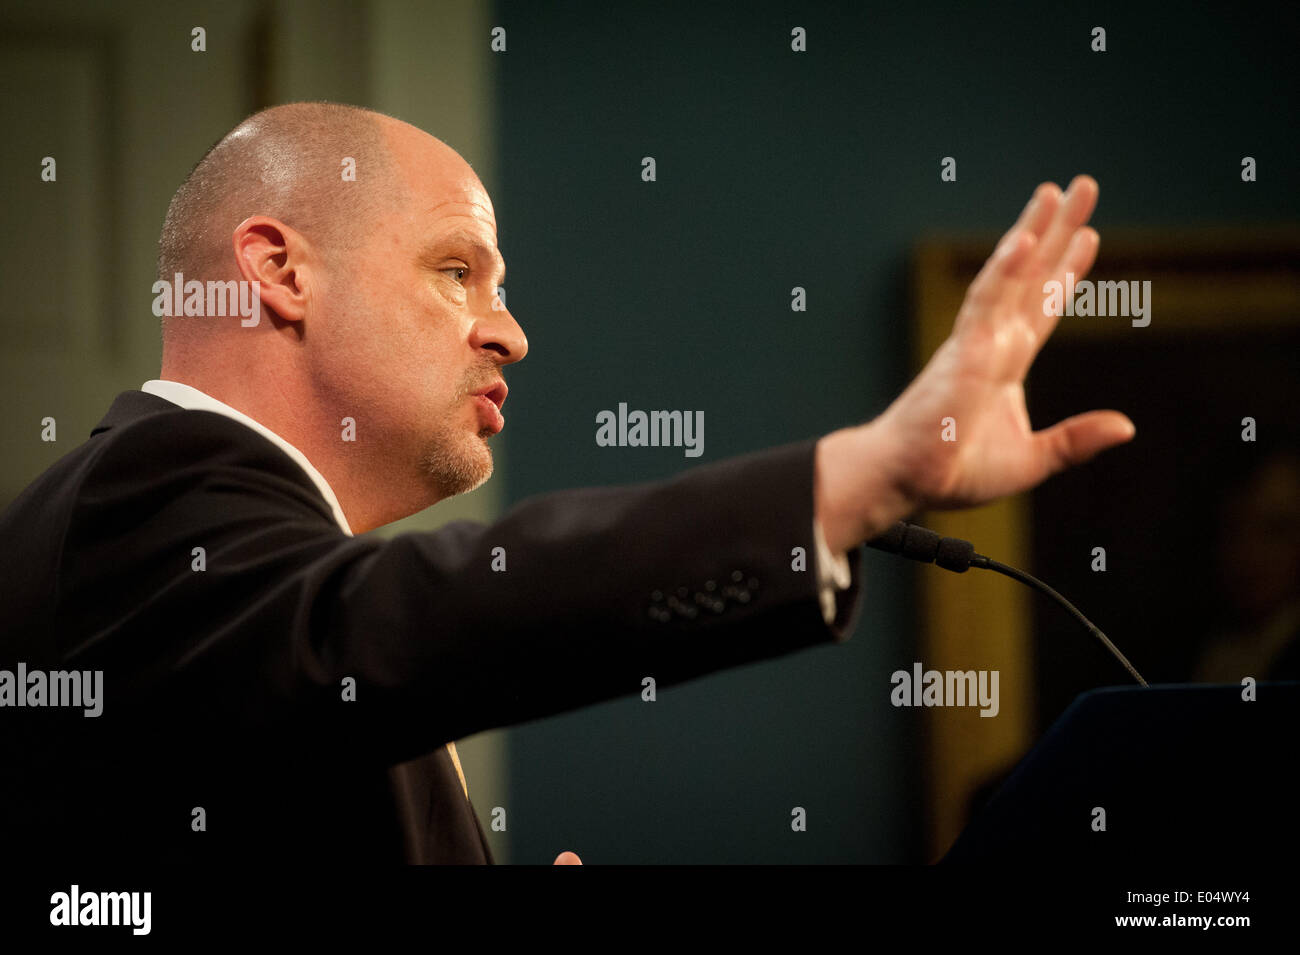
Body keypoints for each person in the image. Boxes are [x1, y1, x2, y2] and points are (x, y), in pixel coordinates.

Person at [0, 102, 1134, 864]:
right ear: (278, 270)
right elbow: (390, 624)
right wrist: (858, 477)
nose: (512, 334)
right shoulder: (140, 494)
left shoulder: (242, 571)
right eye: (458, 271)